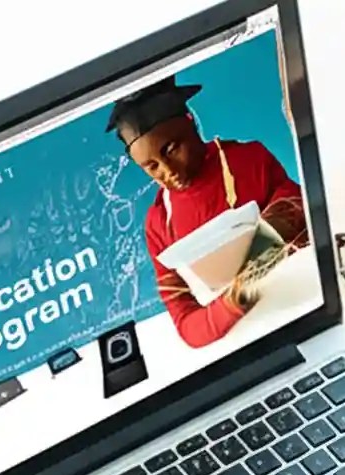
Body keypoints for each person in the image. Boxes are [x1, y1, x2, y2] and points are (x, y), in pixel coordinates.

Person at [106, 76, 308, 348]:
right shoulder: (159, 224)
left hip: (301, 309)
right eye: (152, 167)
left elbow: (298, 210)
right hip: (245, 344)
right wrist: (234, 301)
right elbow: (188, 326)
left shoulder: (249, 160)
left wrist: (258, 259)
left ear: (190, 122)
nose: (169, 171)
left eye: (171, 149)